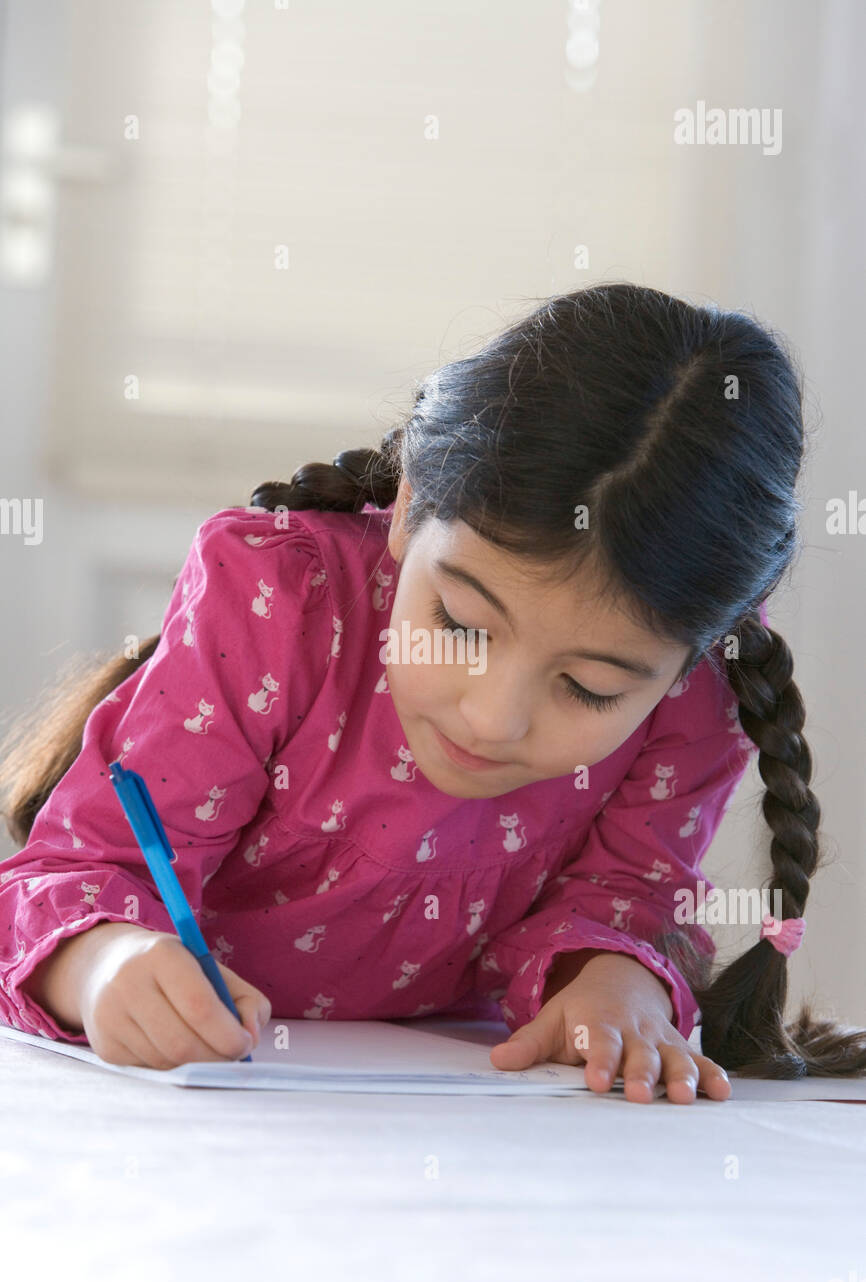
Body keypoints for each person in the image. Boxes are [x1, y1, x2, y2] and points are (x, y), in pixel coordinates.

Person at [2, 282, 863, 1102]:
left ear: (695, 652)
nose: (492, 717)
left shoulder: (691, 705)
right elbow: (75, 877)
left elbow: (623, 899)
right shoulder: (283, 606)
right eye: (459, 623)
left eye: (589, 687)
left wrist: (613, 981)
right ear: (411, 505)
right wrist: (102, 964)